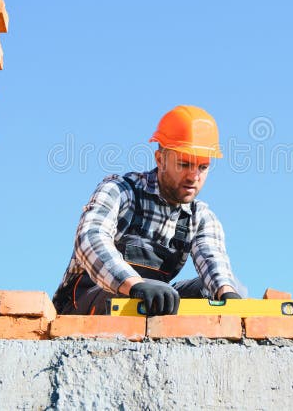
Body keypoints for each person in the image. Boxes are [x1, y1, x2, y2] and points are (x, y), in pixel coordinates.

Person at [52, 105, 243, 316]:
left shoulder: (200, 217)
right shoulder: (121, 190)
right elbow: (90, 239)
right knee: (129, 298)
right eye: (184, 164)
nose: (194, 176)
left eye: (202, 167)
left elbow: (213, 259)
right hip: (88, 302)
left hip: (149, 305)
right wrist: (133, 284)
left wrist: (227, 296)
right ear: (160, 160)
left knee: (224, 292)